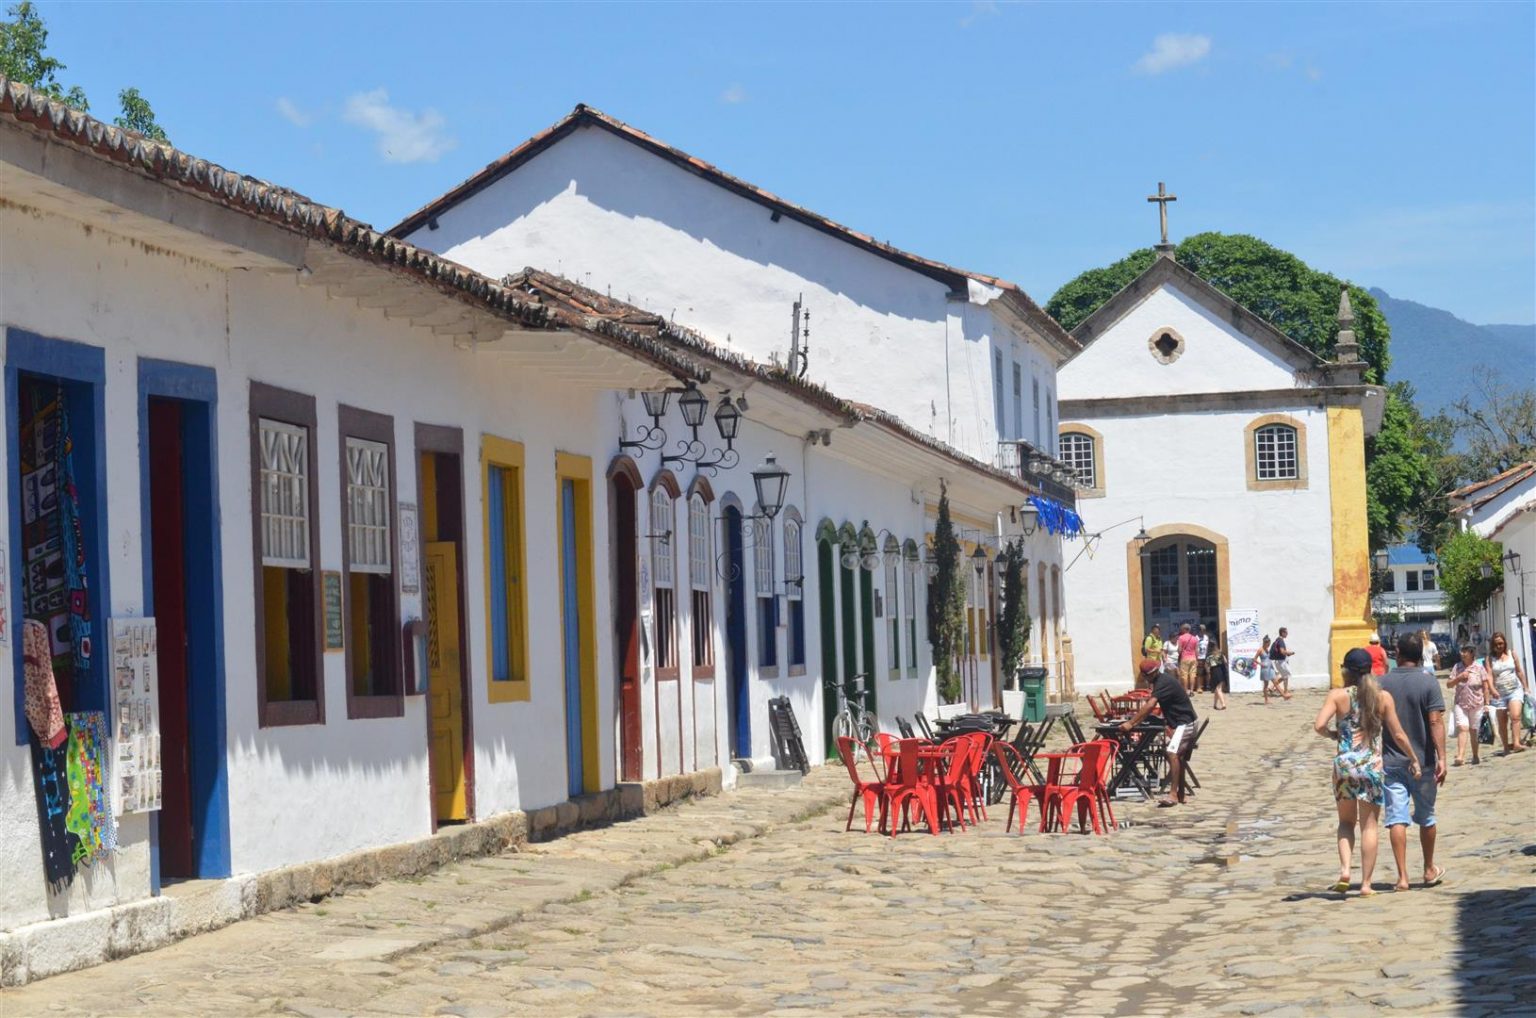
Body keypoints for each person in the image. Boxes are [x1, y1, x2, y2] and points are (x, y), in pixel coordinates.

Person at [1314, 648, 1420, 897]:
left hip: (1344, 766)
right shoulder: (1382, 697)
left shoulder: (1337, 695)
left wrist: (1332, 734)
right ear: (1371, 670)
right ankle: (1366, 884)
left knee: (1345, 822)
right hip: (1371, 766)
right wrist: (1413, 759)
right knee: (1369, 826)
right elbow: (1399, 734)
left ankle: (1345, 870)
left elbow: (1319, 725)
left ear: (1345, 670)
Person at [1380, 633, 1447, 891]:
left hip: (1392, 760)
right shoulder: (1428, 683)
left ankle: (1402, 877)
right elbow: (1434, 721)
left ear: (1397, 653)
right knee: (1426, 816)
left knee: (1396, 818)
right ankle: (1429, 868)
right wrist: (1442, 757)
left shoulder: (1382, 682)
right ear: (1421, 654)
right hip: (1425, 760)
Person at [1123, 658, 1199, 807]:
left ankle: (1173, 795)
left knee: (1172, 753)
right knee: (1174, 754)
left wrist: (1131, 723)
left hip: (1186, 723)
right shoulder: (1160, 681)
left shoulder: (1163, 682)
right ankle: (1180, 794)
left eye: (1147, 676)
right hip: (1180, 723)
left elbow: (1151, 704)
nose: (1146, 678)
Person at [1448, 645, 1493, 766]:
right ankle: (1460, 756)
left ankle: (1475, 755)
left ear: (1472, 654)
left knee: (1474, 730)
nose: (1462, 654)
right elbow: (1449, 684)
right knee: (1463, 728)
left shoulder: (1479, 667)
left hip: (1477, 703)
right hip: (1461, 703)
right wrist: (1458, 678)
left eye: (1465, 652)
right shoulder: (1457, 667)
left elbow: (1485, 686)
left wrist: (1487, 703)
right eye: (1461, 651)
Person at [1487, 631, 1530, 755]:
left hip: (1515, 690)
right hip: (1499, 693)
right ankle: (1506, 746)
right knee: (1502, 721)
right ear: (1492, 645)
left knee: (1515, 716)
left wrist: (1526, 686)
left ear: (1505, 643)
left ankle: (1516, 743)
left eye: (1501, 643)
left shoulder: (1512, 654)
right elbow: (1489, 676)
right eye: (1496, 644)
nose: (1499, 646)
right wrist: (1492, 689)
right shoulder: (1490, 658)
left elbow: (1519, 671)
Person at [1270, 627, 1294, 700]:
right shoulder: (1280, 640)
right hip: (1281, 661)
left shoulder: (1277, 640)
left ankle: (1272, 687)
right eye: (1286, 632)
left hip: (1278, 661)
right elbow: (1282, 651)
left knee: (1285, 676)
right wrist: (1289, 653)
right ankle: (1285, 692)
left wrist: (1287, 654)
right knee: (1286, 675)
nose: (1287, 634)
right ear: (1282, 633)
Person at [1208, 632, 1230, 711]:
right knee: (1217, 689)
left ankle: (1223, 704)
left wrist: (1208, 674)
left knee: (1218, 689)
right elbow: (1226, 662)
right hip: (1221, 672)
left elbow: (1207, 666)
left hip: (1214, 672)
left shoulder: (1210, 656)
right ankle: (1214, 705)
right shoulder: (1220, 654)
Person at [1176, 623, 1200, 693]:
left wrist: (1179, 653)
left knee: (1184, 675)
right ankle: (1192, 690)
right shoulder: (1195, 638)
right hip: (1193, 658)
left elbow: (1179, 650)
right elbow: (1196, 650)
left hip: (1185, 658)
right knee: (1192, 674)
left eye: (1181, 629)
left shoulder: (1181, 638)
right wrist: (1197, 659)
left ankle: (1185, 690)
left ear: (1184, 629)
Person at [1257, 635, 1278, 705]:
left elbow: (1269, 658)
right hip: (1264, 668)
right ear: (1265, 643)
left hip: (1270, 667)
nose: (1268, 645)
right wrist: (1260, 664)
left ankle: (1269, 697)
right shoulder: (1260, 650)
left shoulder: (1267, 650)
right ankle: (1266, 700)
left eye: (1269, 644)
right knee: (1266, 684)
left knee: (1275, 680)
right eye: (1268, 644)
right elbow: (1254, 659)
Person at [1197, 624, 1212, 692]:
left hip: (1206, 657)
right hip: (1199, 657)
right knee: (1200, 673)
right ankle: (1200, 686)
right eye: (1201, 630)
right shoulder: (1196, 637)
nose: (1202, 631)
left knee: (1208, 672)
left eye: (1204, 630)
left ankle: (1208, 686)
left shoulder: (1206, 637)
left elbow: (1209, 646)